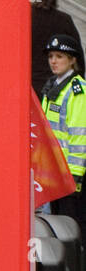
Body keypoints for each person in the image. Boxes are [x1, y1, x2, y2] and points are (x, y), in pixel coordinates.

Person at [41, 35, 86, 228]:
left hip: (70, 175)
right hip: (54, 173)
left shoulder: (77, 91)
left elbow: (79, 135)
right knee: (57, 226)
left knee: (72, 228)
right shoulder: (52, 87)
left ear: (73, 60)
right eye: (51, 56)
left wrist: (75, 177)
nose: (53, 61)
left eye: (59, 56)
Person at [31, 0, 80, 96]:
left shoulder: (22, 20)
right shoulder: (64, 20)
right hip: (60, 88)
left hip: (29, 88)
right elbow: (78, 56)